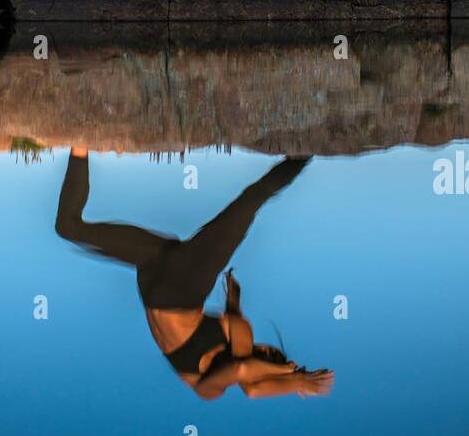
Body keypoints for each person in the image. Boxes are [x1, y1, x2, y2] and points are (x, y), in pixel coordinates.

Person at [55, 147, 334, 401]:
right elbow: (248, 376)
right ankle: (308, 150)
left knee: (68, 228)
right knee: (251, 201)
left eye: (267, 352)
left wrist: (294, 378)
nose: (264, 348)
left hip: (154, 275)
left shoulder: (210, 389)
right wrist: (289, 375)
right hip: (179, 286)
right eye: (269, 351)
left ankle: (80, 145)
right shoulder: (239, 333)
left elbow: (247, 379)